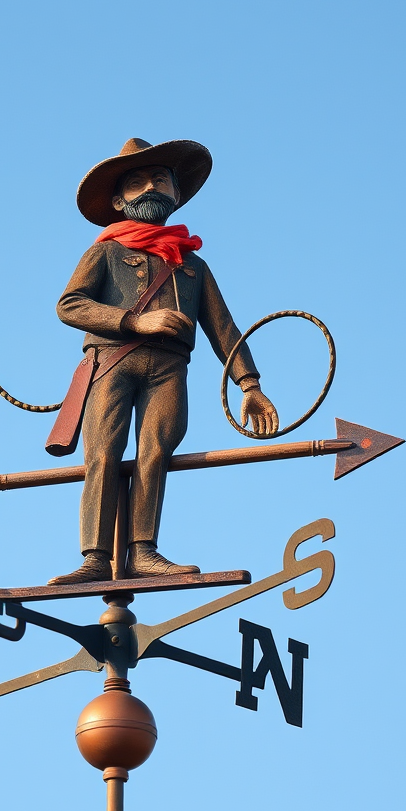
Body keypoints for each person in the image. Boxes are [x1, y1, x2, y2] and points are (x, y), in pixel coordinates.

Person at [49, 138, 278, 585]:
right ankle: (95, 557)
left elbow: (224, 329)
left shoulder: (193, 264)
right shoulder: (105, 252)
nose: (151, 187)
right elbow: (70, 305)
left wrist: (249, 384)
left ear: (175, 193)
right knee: (103, 454)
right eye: (137, 182)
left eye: (160, 179)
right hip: (111, 364)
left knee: (155, 451)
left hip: (170, 371)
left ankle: (143, 552)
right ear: (119, 200)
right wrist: (135, 321)